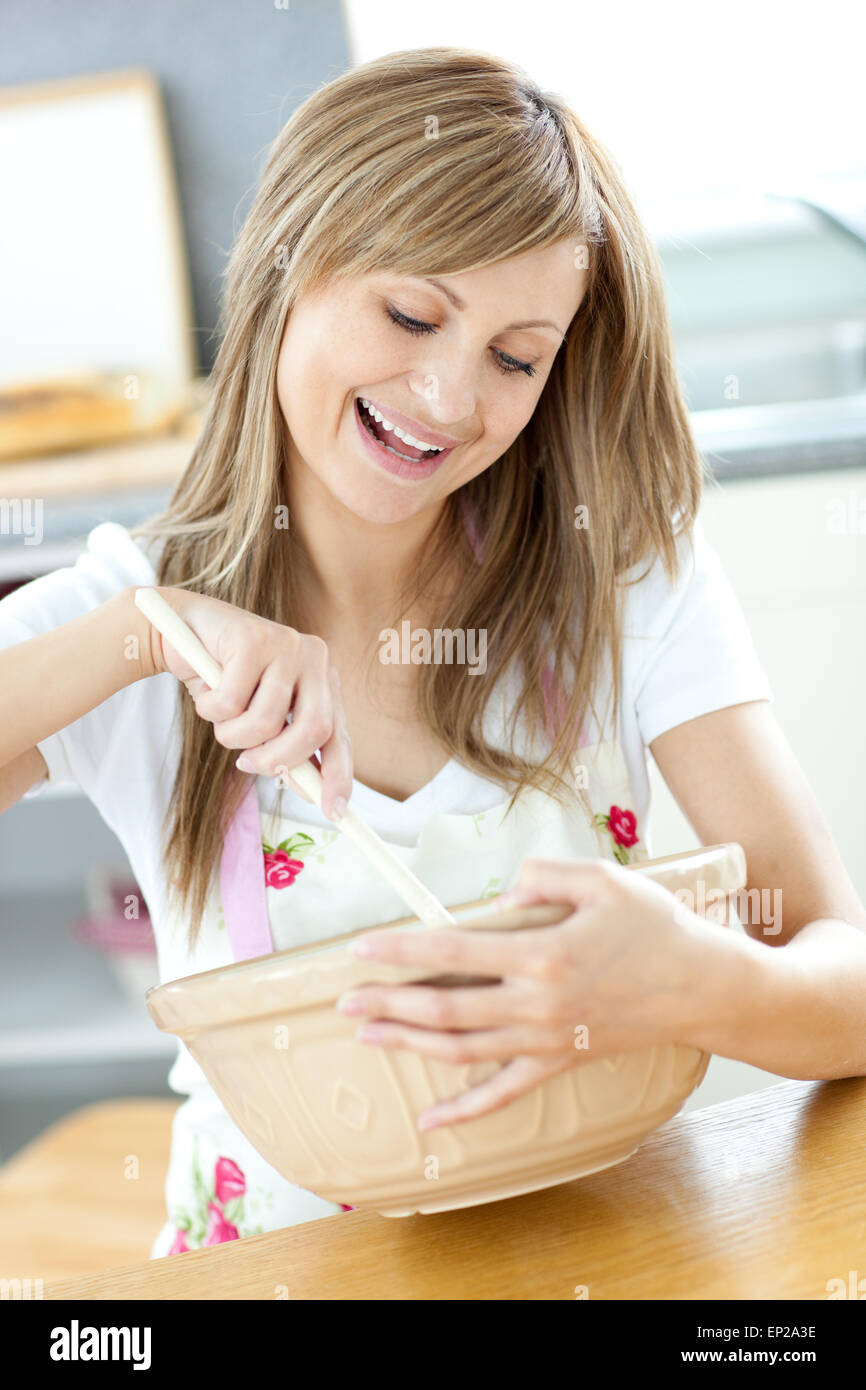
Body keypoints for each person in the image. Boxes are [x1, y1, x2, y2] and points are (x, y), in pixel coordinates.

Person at [2, 48, 864, 1257]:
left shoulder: (617, 576)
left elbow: (845, 980)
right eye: (411, 313)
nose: (450, 398)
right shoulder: (145, 614)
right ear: (292, 256)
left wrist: (693, 981)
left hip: (605, 1257)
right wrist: (144, 636)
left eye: (515, 357)